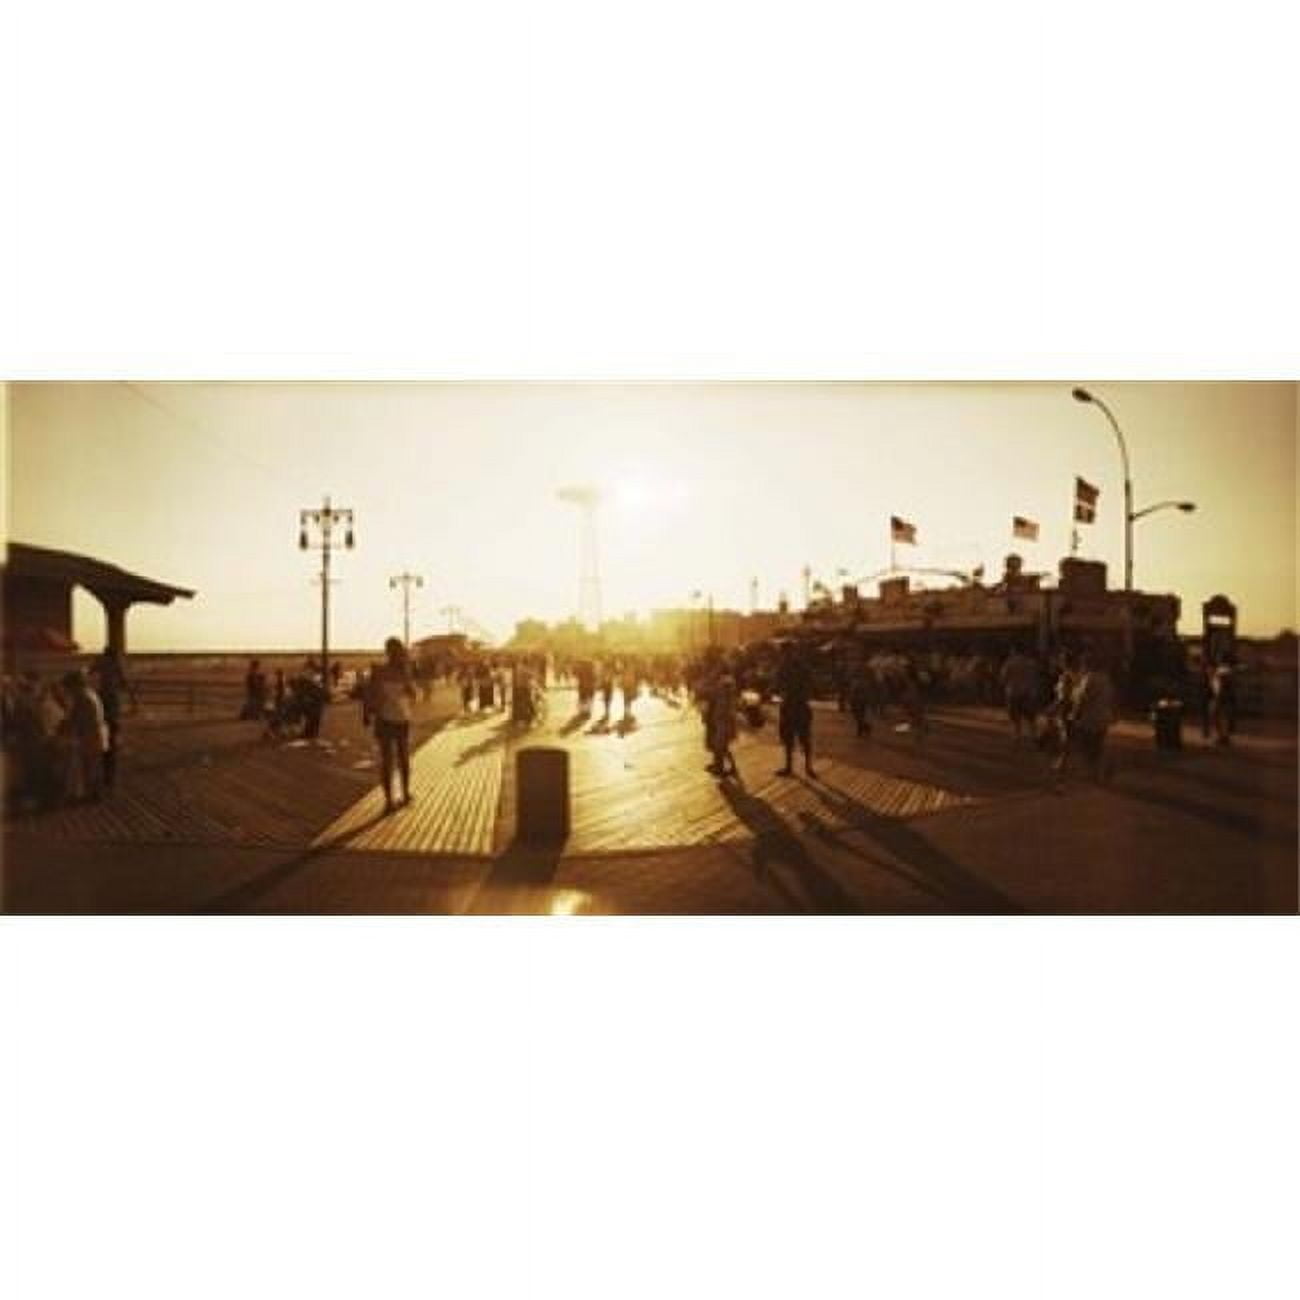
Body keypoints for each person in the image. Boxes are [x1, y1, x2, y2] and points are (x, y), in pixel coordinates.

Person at [367, 637, 416, 814]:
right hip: (393, 719)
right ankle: (398, 797)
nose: (398, 655)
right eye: (397, 652)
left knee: (394, 760)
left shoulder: (385, 671)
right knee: (397, 760)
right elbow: (370, 695)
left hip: (396, 719)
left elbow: (412, 694)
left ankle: (395, 798)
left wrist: (368, 712)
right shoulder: (386, 672)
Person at [1057, 649, 1115, 787]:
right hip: (1102, 717)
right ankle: (1099, 771)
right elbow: (1111, 697)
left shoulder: (1088, 679)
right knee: (1097, 745)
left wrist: (1074, 715)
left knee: (1088, 747)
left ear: (1087, 664)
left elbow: (1081, 700)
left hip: (1088, 719)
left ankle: (1095, 773)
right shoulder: (1105, 678)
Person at [61, 670, 109, 803]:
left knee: (90, 765)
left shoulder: (82, 697)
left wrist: (63, 728)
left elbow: (75, 718)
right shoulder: (90, 694)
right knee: (94, 765)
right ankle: (95, 794)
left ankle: (94, 795)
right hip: (96, 732)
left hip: (91, 734)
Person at [92, 645, 134, 792]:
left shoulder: (100, 661)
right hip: (113, 702)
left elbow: (90, 672)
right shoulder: (116, 663)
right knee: (112, 739)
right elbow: (124, 682)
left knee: (102, 734)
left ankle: (102, 774)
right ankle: (110, 778)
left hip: (102, 700)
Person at [774, 641, 816, 779]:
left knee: (803, 739)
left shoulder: (800, 667)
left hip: (797, 706)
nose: (784, 655)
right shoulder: (783, 667)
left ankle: (806, 767)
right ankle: (794, 767)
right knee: (789, 739)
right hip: (790, 706)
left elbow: (809, 684)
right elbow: (777, 685)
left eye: (786, 652)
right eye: (784, 653)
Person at [1000, 646, 1041, 743]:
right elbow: (1035, 678)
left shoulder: (1009, 663)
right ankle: (1033, 734)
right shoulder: (1030, 663)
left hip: (1013, 691)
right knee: (1030, 716)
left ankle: (1017, 734)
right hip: (1027, 692)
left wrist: (1006, 684)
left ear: (1014, 651)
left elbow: (1003, 677)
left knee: (1015, 715)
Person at [704, 671, 739, 778]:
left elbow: (724, 710)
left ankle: (720, 768)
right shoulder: (725, 693)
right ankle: (725, 767)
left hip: (723, 723)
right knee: (721, 747)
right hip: (721, 722)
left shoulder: (725, 694)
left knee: (720, 747)